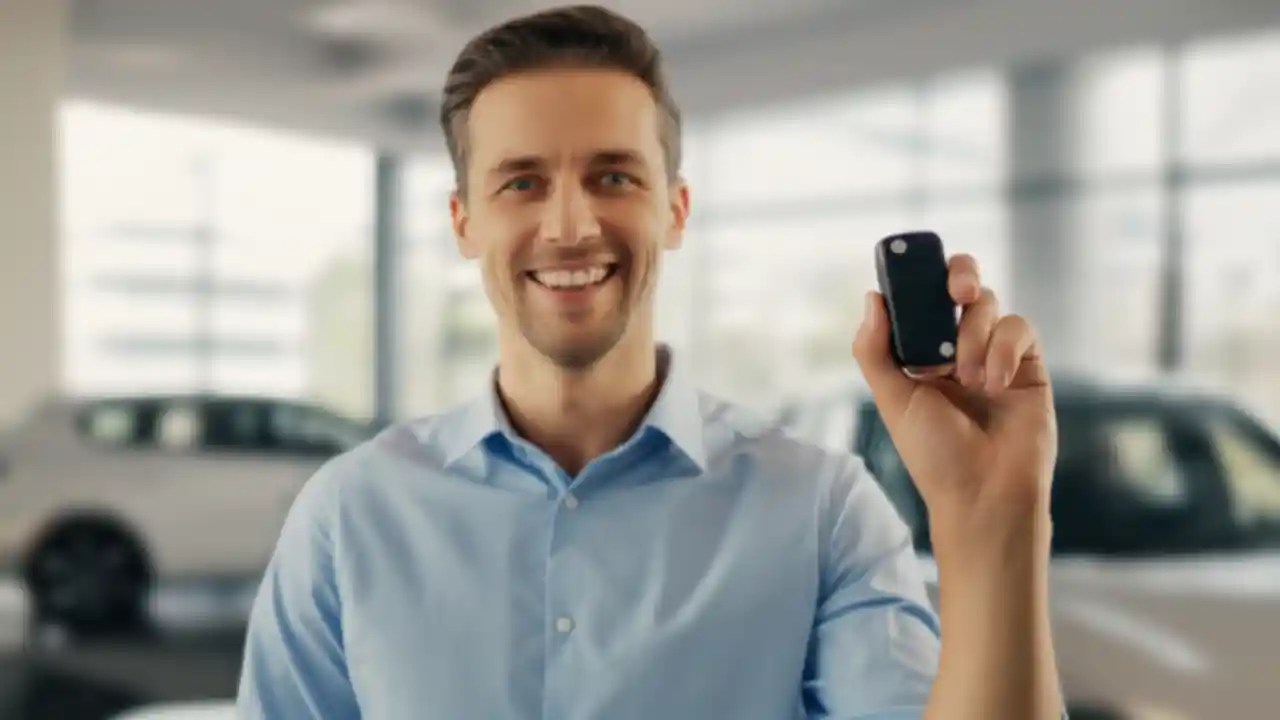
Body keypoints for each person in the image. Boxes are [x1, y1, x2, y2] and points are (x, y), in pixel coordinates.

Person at [238, 5, 1065, 719]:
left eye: (613, 177)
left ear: (675, 209)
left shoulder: (820, 513)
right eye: (522, 183)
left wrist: (994, 513)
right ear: (463, 223)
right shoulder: (349, 517)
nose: (570, 225)